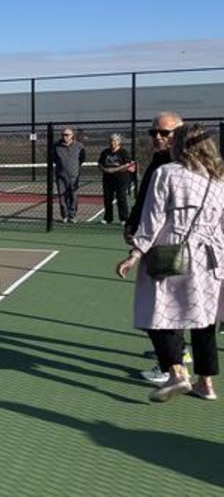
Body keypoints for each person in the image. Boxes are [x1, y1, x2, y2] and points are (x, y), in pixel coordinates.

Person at [116, 124, 223, 402]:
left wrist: (135, 253)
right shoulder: (219, 178)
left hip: (173, 249)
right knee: (205, 319)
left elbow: (153, 221)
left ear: (180, 146)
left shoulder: (167, 173)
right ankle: (206, 384)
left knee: (157, 311)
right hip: (212, 257)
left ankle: (177, 373)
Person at [126, 112, 187, 384]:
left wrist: (140, 243)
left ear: (180, 135)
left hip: (167, 244)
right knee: (168, 304)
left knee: (158, 306)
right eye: (154, 133)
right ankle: (177, 354)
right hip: (159, 242)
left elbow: (162, 211)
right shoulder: (161, 160)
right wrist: (133, 222)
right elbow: (145, 200)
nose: (157, 138)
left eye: (164, 133)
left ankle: (168, 368)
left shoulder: (179, 166)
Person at [98, 134, 136, 225]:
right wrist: (105, 170)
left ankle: (124, 218)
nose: (112, 143)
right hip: (107, 179)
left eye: (115, 141)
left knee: (121, 197)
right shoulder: (105, 152)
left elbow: (128, 164)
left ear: (119, 142)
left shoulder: (123, 152)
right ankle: (108, 218)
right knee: (107, 198)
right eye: (111, 141)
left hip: (121, 178)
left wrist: (114, 170)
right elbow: (100, 163)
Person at [52, 128, 86, 223]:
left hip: (74, 176)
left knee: (73, 196)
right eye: (63, 135)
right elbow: (53, 158)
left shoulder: (79, 146)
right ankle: (64, 216)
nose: (65, 137)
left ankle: (72, 215)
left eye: (67, 135)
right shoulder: (56, 146)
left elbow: (82, 158)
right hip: (61, 176)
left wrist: (74, 167)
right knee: (62, 197)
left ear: (72, 135)